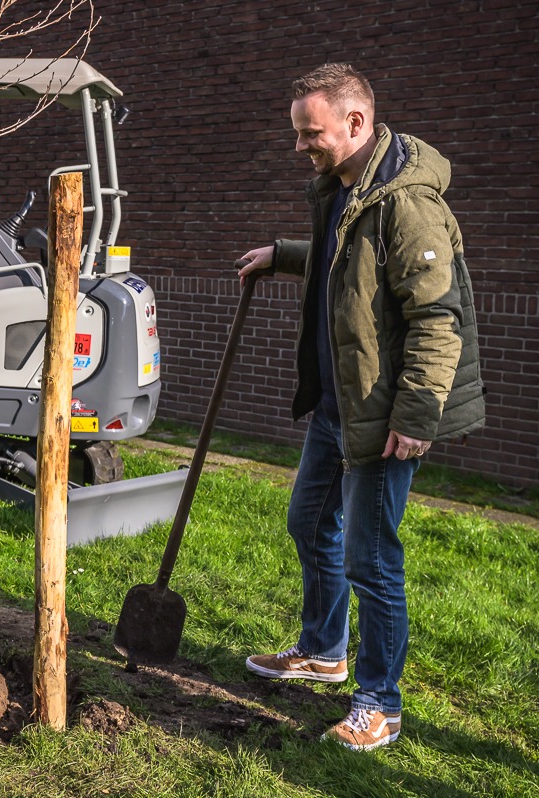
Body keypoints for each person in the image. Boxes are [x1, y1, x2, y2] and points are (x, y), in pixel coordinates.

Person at [236, 63, 484, 751]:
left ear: (356, 122)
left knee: (371, 561)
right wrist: (284, 255)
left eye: (309, 133)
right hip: (338, 403)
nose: (299, 147)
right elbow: (349, 261)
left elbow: (437, 316)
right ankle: (324, 650)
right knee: (310, 522)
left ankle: (381, 703)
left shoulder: (407, 203)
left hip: (382, 413)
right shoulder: (347, 188)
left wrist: (418, 414)